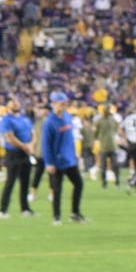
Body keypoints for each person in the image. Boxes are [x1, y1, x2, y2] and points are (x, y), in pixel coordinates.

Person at [41, 91, 87, 225]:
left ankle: (75, 213)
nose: (65, 105)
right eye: (62, 103)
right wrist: (49, 162)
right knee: (57, 190)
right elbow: (46, 144)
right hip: (57, 161)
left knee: (79, 184)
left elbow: (69, 139)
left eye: (65, 103)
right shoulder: (50, 122)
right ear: (54, 104)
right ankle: (56, 217)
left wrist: (75, 154)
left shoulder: (67, 116)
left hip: (70, 159)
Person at [0, 96, 35, 218]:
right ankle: (3, 210)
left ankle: (25, 208)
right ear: (8, 106)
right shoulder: (6, 120)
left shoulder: (25, 119)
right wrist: (25, 146)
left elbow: (33, 134)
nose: (15, 104)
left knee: (25, 182)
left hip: (25, 152)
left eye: (16, 102)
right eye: (12, 103)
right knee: (10, 182)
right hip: (14, 153)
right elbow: (10, 137)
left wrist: (31, 146)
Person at [93, 103, 121, 188]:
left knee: (115, 165)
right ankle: (104, 183)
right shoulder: (99, 120)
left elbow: (117, 129)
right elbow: (95, 132)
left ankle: (117, 182)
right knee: (103, 166)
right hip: (104, 146)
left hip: (112, 146)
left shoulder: (112, 119)